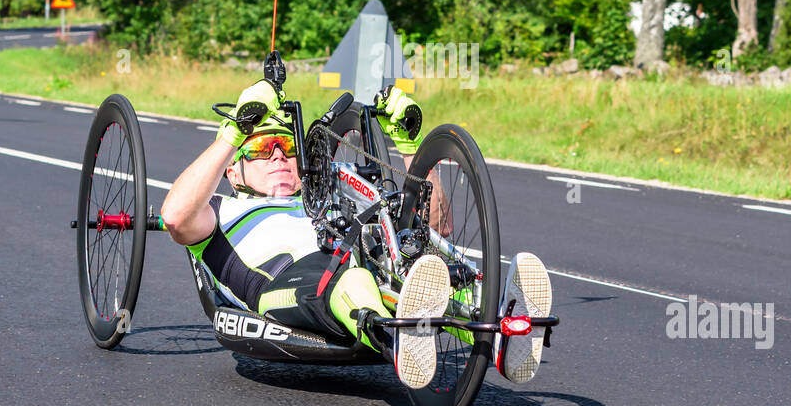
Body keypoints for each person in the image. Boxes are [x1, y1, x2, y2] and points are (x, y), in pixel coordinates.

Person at [160, 79, 552, 389]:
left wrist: (410, 145)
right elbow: (175, 217)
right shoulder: (218, 211)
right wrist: (234, 131)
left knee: (420, 258)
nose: (279, 156)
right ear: (233, 169)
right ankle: (399, 341)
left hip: (352, 256)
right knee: (352, 279)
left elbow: (438, 226)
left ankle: (502, 332)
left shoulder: (325, 195)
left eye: (287, 146)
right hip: (286, 284)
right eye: (262, 148)